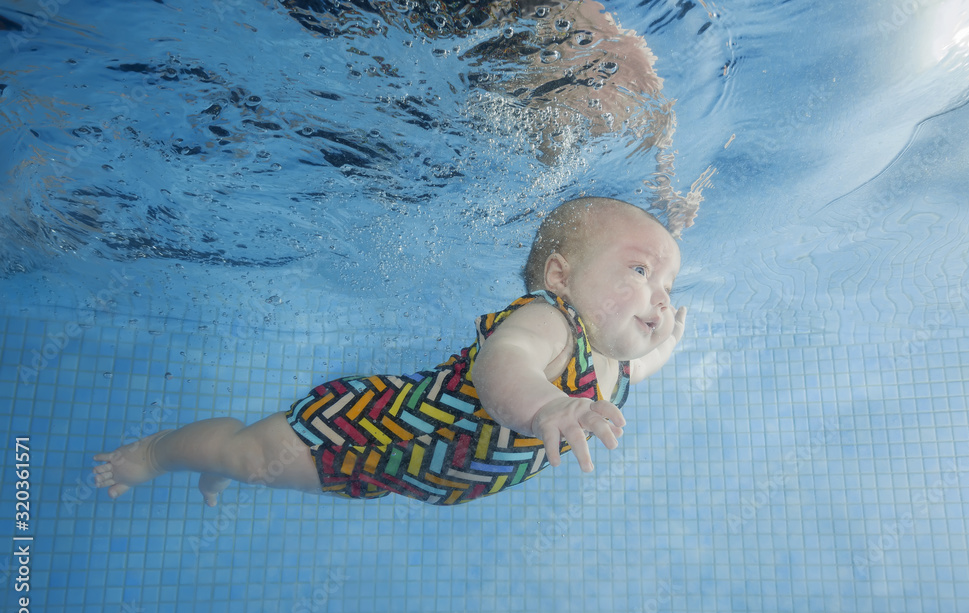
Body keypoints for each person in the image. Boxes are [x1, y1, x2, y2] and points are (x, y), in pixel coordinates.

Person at [92, 197, 686, 507]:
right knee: (248, 457)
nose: (660, 297)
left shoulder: (612, 366)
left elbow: (637, 367)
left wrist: (666, 343)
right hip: (368, 432)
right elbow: (504, 365)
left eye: (667, 286)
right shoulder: (548, 321)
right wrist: (547, 411)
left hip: (402, 474)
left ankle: (220, 462)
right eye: (640, 269)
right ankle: (159, 454)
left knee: (253, 466)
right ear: (560, 275)